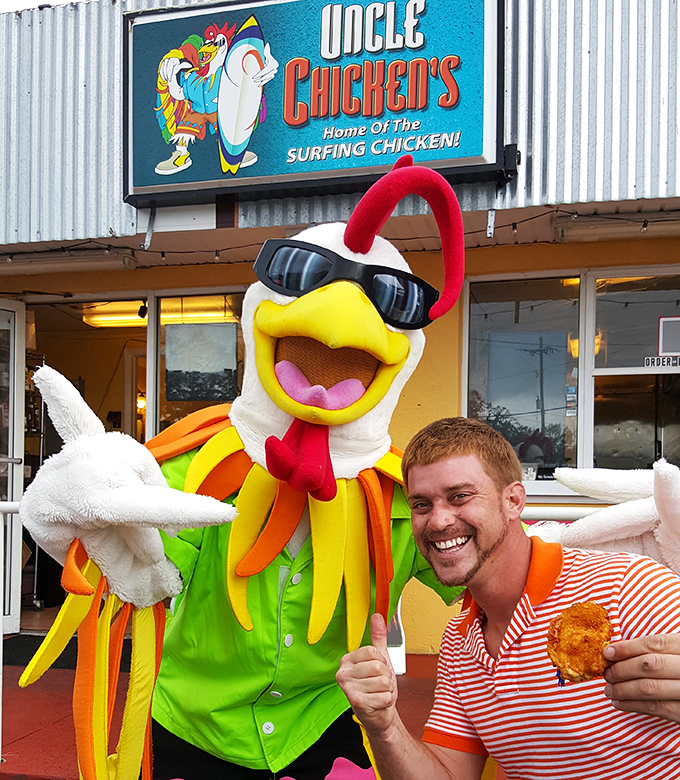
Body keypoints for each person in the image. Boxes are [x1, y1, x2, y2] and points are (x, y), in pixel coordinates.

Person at [336, 417, 680, 780]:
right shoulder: (457, 643)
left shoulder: (626, 586)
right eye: (421, 504)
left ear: (513, 500)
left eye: (459, 496)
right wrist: (385, 726)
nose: (437, 521)